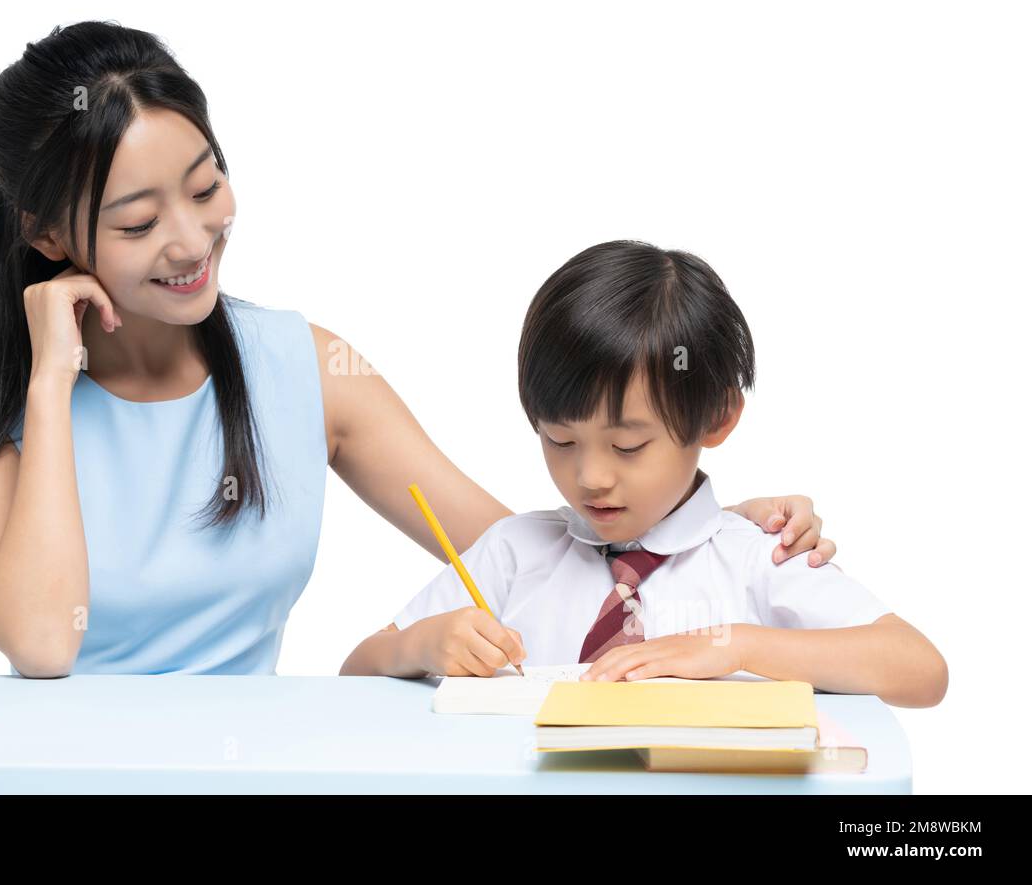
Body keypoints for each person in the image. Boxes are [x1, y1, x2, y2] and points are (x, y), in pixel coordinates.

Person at [0, 21, 837, 678]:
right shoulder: (4, 404)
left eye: (207, 188)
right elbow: (42, 646)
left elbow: (519, 557)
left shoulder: (305, 369)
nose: (193, 239)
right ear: (46, 235)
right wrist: (51, 381)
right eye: (138, 220)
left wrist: (701, 529)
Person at [341, 241, 947, 708]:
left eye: (628, 445)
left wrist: (738, 645)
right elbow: (354, 676)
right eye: (561, 439)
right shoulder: (511, 553)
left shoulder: (756, 557)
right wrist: (415, 647)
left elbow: (920, 668)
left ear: (717, 417)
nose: (591, 476)